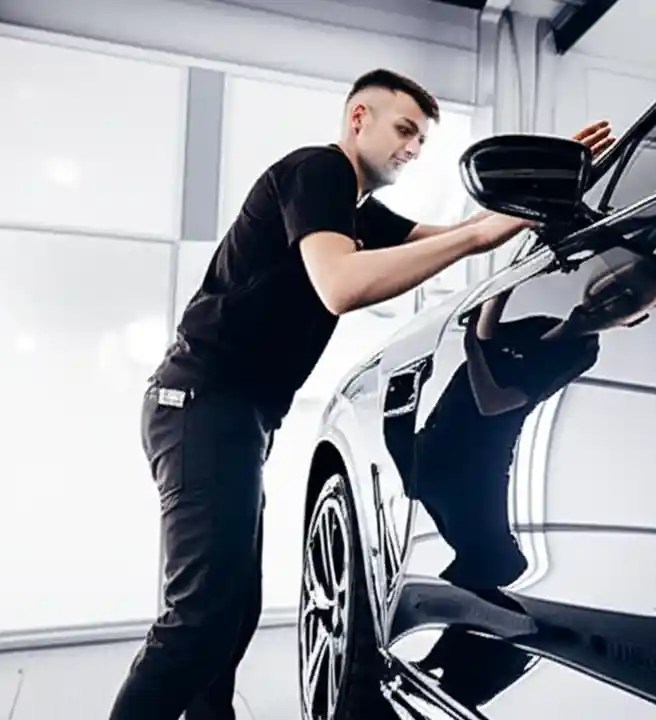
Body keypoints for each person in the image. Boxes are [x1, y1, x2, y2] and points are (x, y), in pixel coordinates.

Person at [108, 68, 616, 720]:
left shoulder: (353, 208)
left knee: (230, 616)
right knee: (200, 620)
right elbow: (341, 285)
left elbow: (444, 239)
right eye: (405, 130)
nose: (413, 148)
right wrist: (476, 235)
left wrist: (534, 200)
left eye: (422, 140)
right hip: (202, 405)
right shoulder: (319, 172)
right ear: (358, 120)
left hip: (234, 415)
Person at [413, 253, 656, 594]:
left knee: (497, 561)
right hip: (434, 441)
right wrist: (512, 280)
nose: (612, 298)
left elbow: (492, 403)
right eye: (616, 284)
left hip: (473, 465)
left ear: (633, 321)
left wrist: (471, 347)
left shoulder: (580, 353)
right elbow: (488, 338)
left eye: (630, 300)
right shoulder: (541, 324)